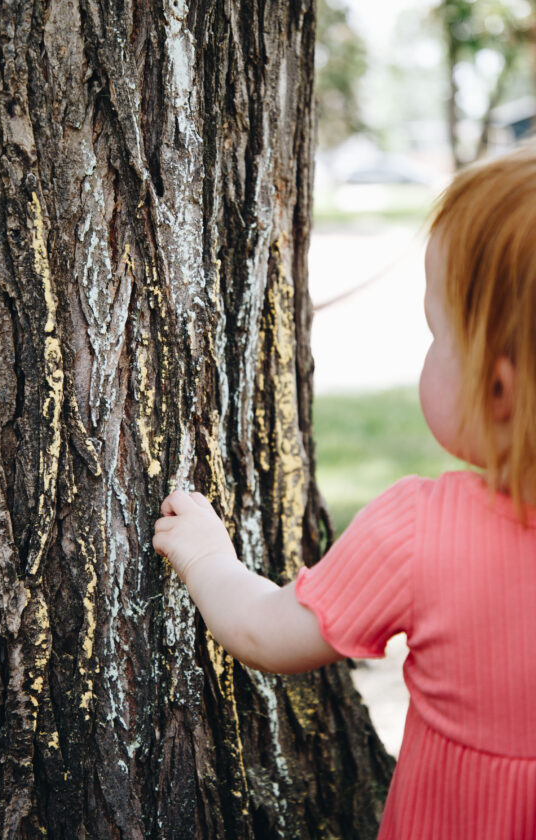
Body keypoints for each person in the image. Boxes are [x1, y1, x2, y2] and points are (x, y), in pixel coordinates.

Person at [153, 146, 536, 839]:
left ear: (498, 390)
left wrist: (207, 558)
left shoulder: (422, 533)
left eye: (435, 334)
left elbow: (264, 631)